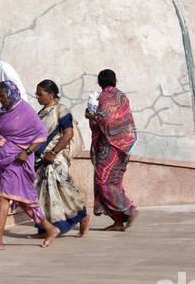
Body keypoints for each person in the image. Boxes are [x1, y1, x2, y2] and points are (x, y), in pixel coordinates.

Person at [0, 81, 59, 250]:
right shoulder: (5, 111)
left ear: (12, 93)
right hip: (5, 162)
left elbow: (41, 134)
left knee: (4, 196)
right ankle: (50, 229)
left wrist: (28, 152)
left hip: (18, 162)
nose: (1, 100)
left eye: (3, 96)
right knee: (20, 199)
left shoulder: (26, 111)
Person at [32, 79, 90, 238]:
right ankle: (44, 229)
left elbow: (68, 133)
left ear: (51, 95)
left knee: (65, 191)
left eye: (40, 94)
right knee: (43, 196)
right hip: (41, 161)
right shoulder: (42, 112)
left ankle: (83, 217)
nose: (37, 97)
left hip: (55, 159)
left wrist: (54, 152)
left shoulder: (61, 110)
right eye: (36, 93)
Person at [87, 68, 137, 231]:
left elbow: (105, 120)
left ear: (100, 82)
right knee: (113, 181)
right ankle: (118, 221)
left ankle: (128, 209)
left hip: (111, 145)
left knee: (103, 181)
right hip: (124, 144)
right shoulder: (121, 96)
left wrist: (91, 116)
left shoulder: (105, 98)